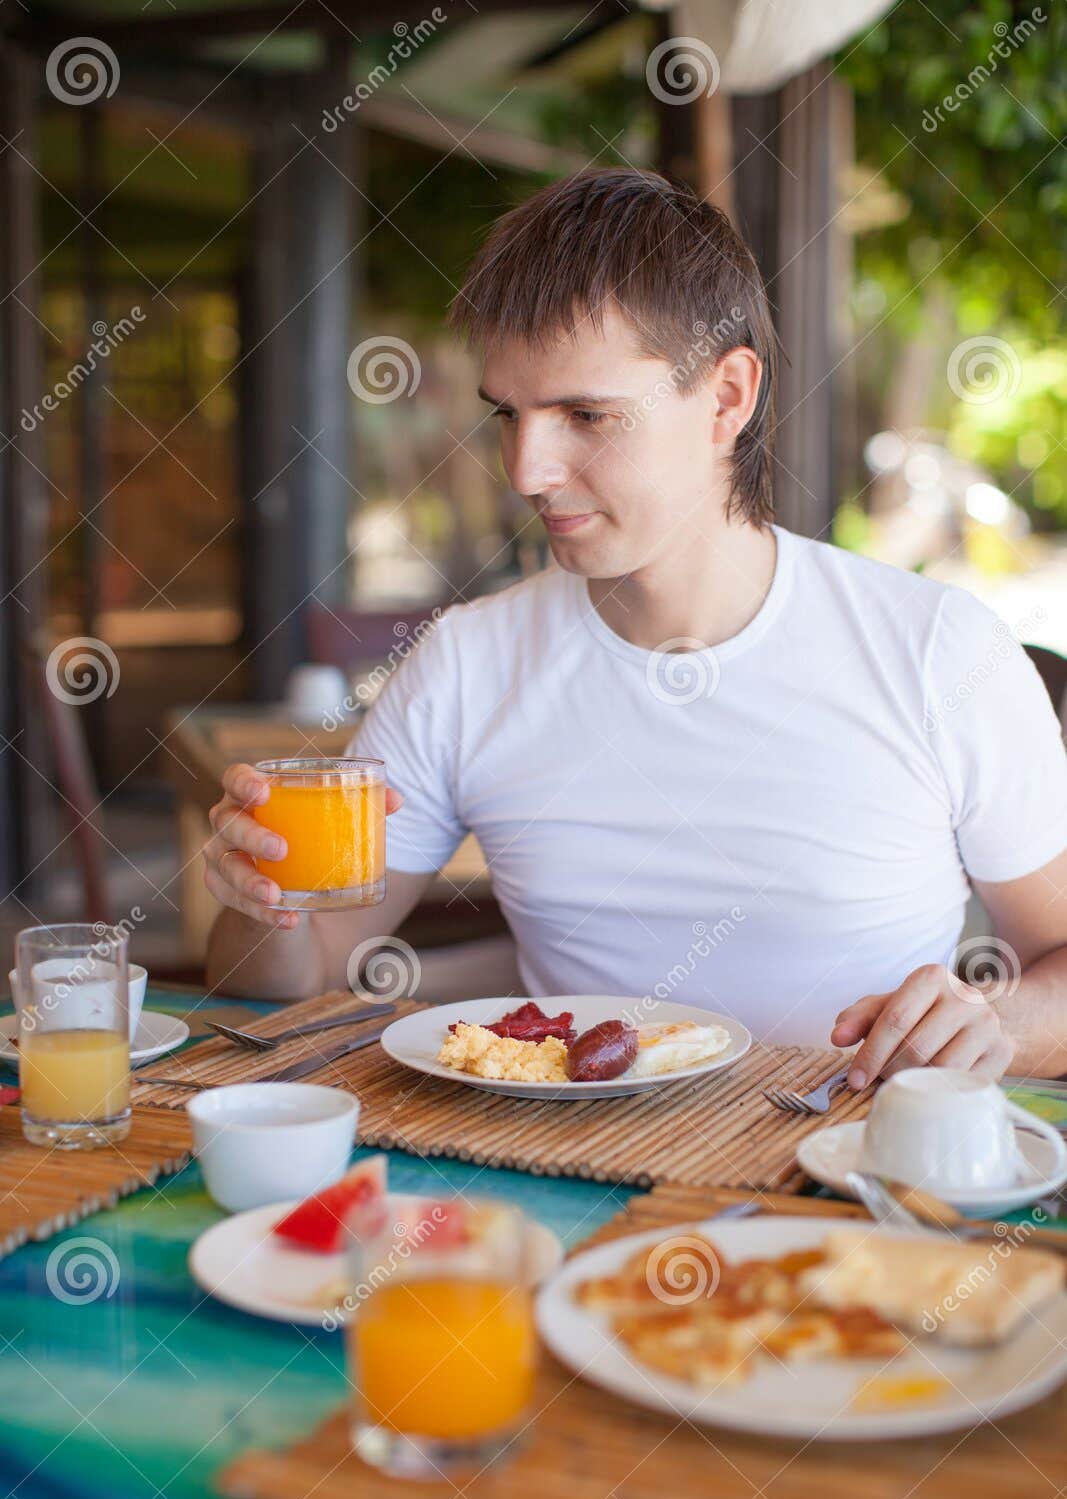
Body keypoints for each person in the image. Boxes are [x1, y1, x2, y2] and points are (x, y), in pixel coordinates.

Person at [204, 167, 1067, 1088]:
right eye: (509, 415)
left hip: (847, 1190)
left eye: (584, 415)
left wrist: (991, 1026)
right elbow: (294, 979)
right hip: (567, 1177)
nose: (528, 469)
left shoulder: (938, 651)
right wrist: (264, 904)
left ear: (727, 398)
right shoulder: (465, 662)